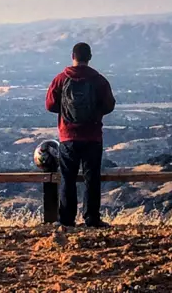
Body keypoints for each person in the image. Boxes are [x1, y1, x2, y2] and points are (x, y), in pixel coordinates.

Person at [46, 42, 116, 227]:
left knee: (67, 178)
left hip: (68, 136)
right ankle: (92, 218)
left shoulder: (61, 79)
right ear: (90, 57)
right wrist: (95, 113)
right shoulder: (99, 80)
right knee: (91, 178)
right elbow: (109, 105)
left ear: (72, 56)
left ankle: (66, 220)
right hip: (92, 136)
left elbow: (50, 105)